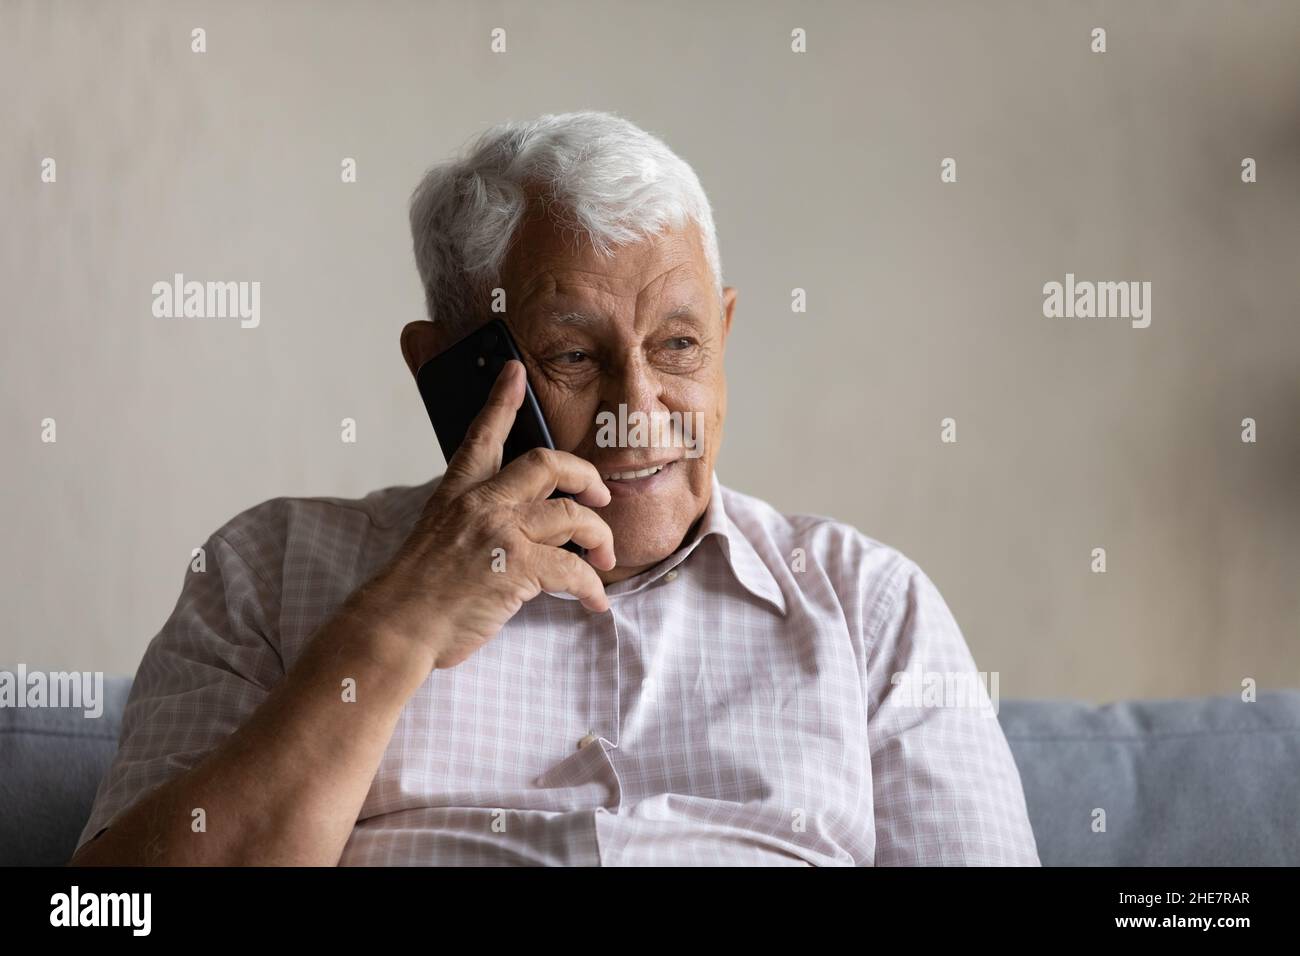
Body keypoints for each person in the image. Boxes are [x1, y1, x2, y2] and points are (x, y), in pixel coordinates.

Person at [71, 110, 1040, 866]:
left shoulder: (869, 608)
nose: (638, 406)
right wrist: (394, 628)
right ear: (444, 368)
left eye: (679, 345)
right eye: (574, 353)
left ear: (727, 336)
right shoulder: (266, 571)